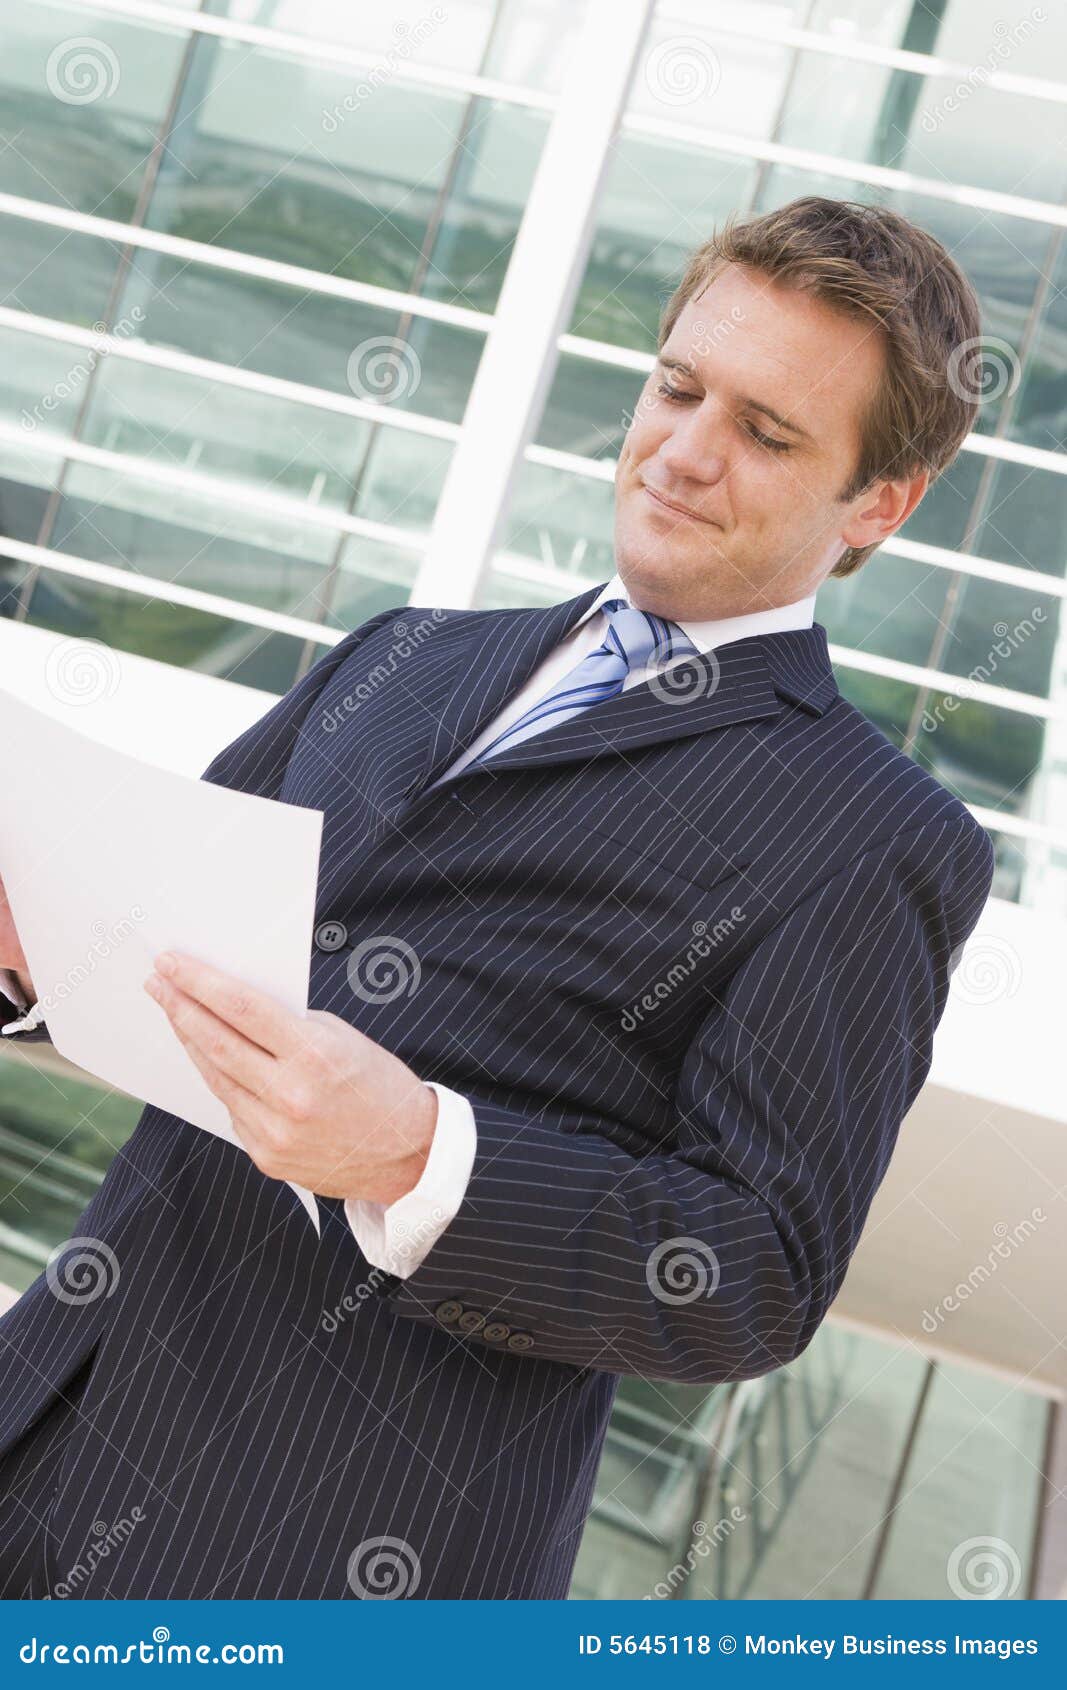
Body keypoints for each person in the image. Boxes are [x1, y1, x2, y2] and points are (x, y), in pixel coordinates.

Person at [0, 197, 994, 1599]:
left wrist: (418, 1153)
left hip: (321, 1561)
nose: (685, 453)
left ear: (880, 503)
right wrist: (35, 948)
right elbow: (160, 949)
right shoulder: (403, 651)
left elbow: (757, 1271)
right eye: (678, 388)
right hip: (48, 1413)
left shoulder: (872, 838)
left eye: (768, 433)